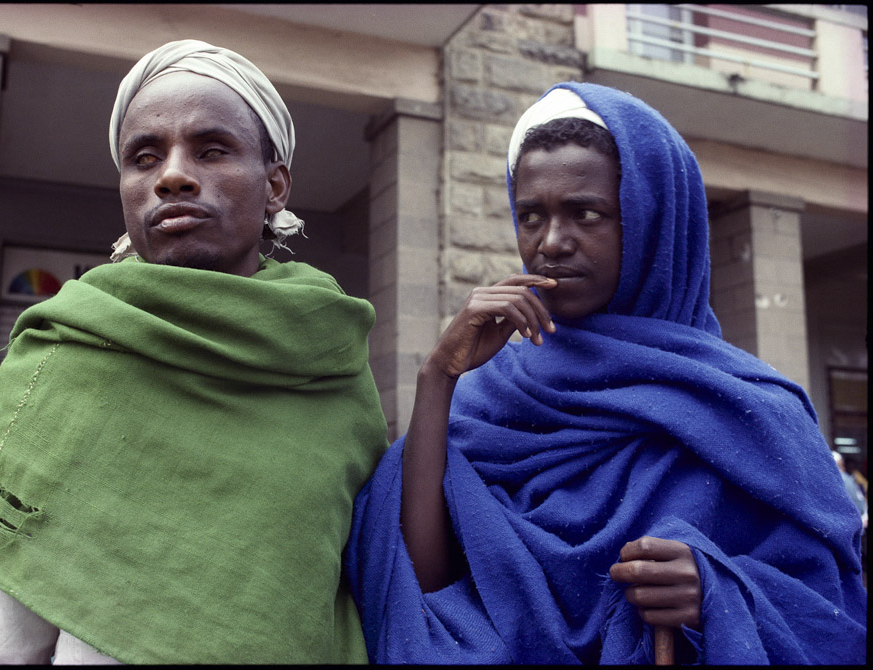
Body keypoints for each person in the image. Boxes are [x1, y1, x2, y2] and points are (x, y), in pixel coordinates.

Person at [344, 82, 867, 664]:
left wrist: (718, 593)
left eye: (586, 213)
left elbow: (836, 614)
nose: (552, 243)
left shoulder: (751, 410)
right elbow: (423, 590)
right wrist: (438, 379)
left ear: (654, 226)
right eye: (530, 216)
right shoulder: (491, 396)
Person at [0, 39, 388, 664]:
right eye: (144, 157)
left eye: (211, 149)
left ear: (276, 184)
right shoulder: (65, 350)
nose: (172, 175)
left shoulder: (329, 363)